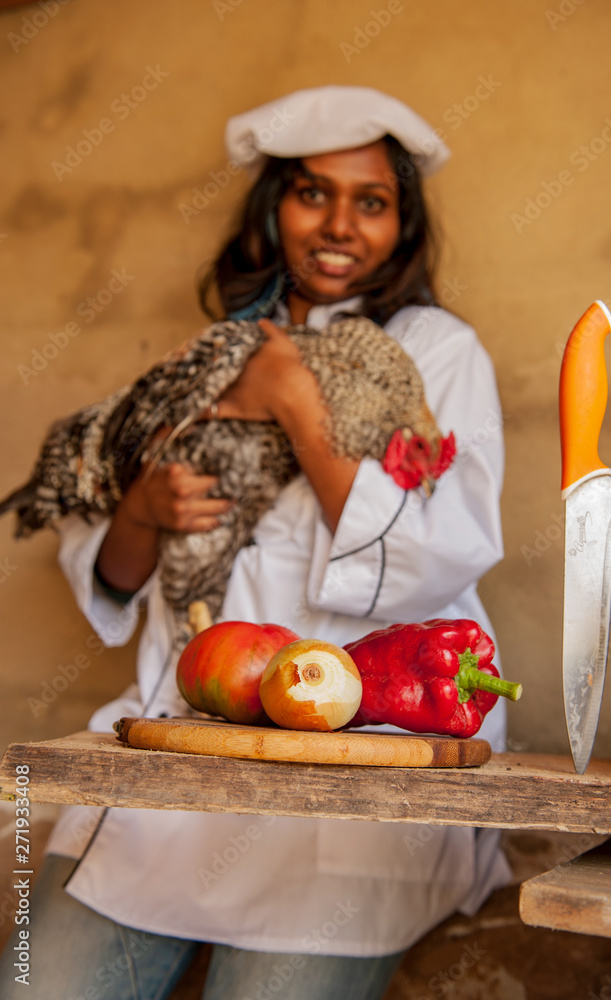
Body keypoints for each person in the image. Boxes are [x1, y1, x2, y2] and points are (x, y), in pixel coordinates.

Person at [0, 86, 511, 1000]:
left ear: (404, 221)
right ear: (271, 211)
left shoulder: (437, 350)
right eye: (310, 193)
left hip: (351, 772)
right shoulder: (216, 345)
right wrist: (144, 510)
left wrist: (286, 396)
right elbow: (116, 581)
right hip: (188, 752)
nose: (338, 223)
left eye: (371, 200)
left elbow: (438, 558)